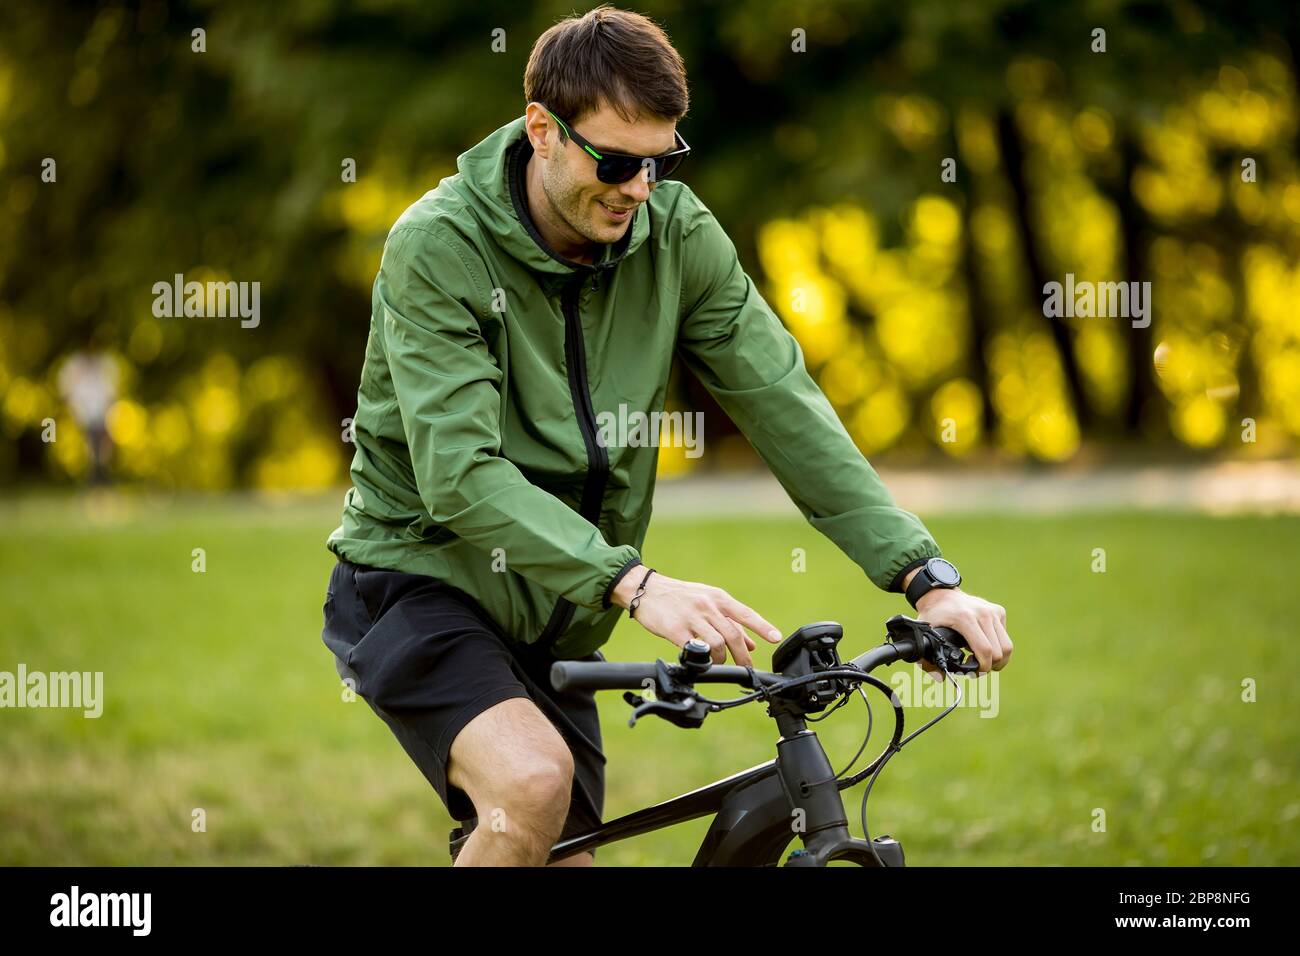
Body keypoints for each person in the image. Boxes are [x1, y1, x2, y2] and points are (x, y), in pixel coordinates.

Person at [320, 4, 1012, 867]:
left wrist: (923, 576)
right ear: (543, 130)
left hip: (559, 615)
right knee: (534, 783)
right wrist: (634, 583)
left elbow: (783, 405)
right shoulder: (439, 247)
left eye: (661, 161)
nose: (639, 189)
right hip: (419, 579)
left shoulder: (676, 236)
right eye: (615, 162)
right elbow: (459, 474)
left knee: (552, 847)